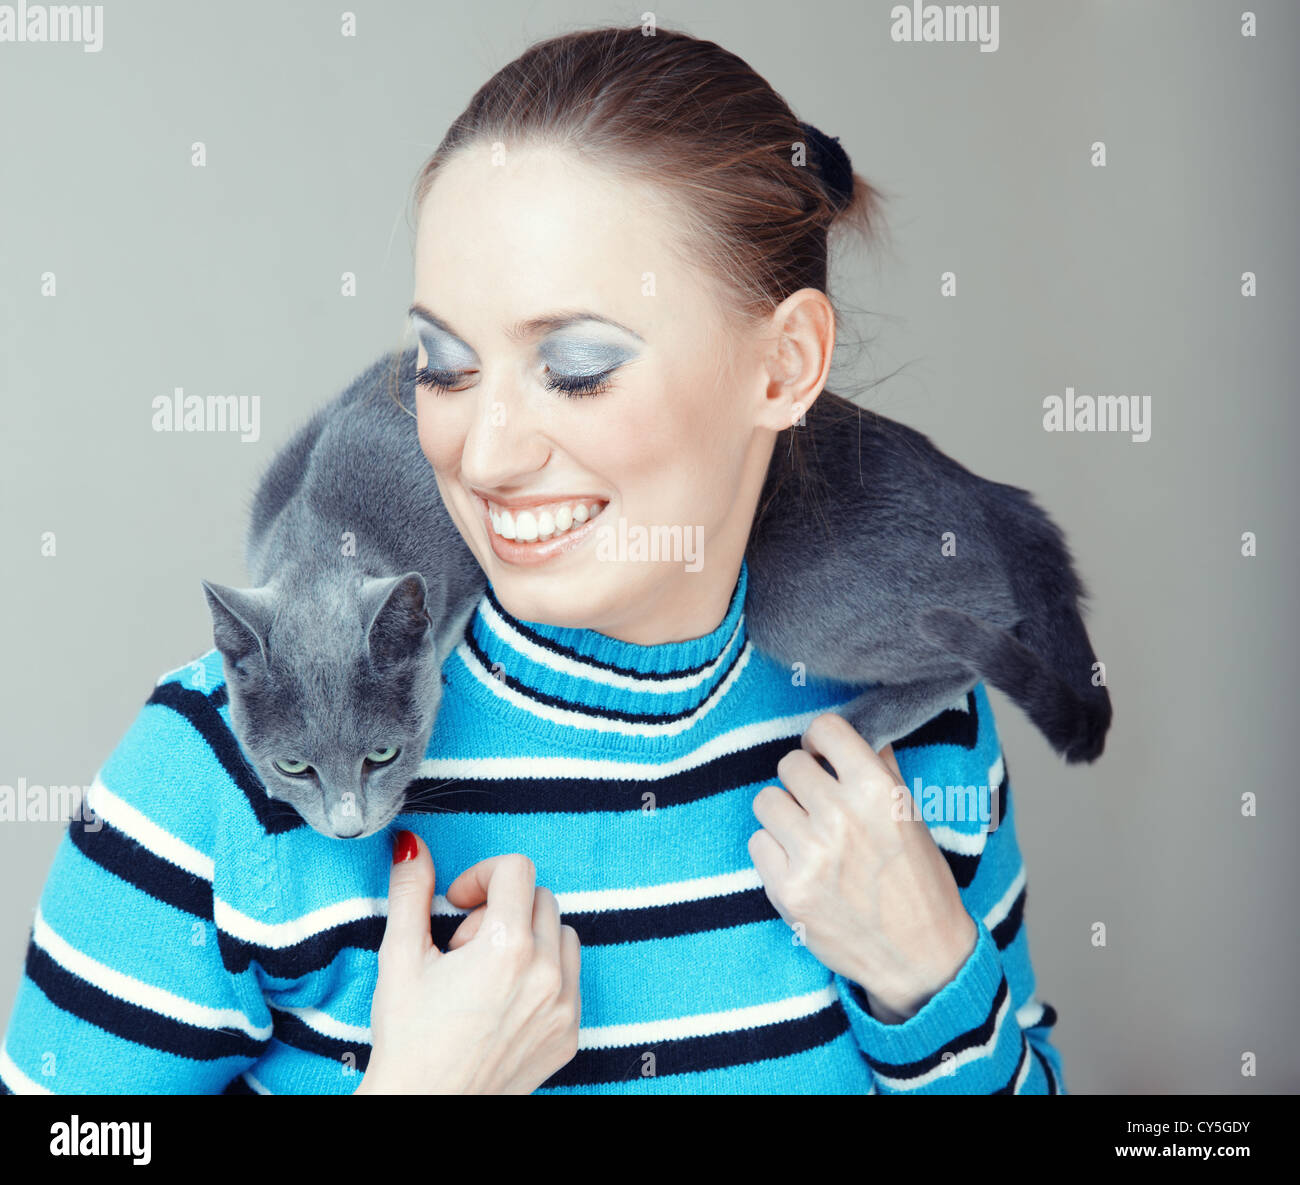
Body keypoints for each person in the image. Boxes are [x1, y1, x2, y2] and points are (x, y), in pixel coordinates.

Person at [0, 24, 1064, 1095]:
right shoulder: (221, 768)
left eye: (576, 367)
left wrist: (932, 981)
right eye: (445, 367)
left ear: (785, 365)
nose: (488, 450)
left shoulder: (917, 731)